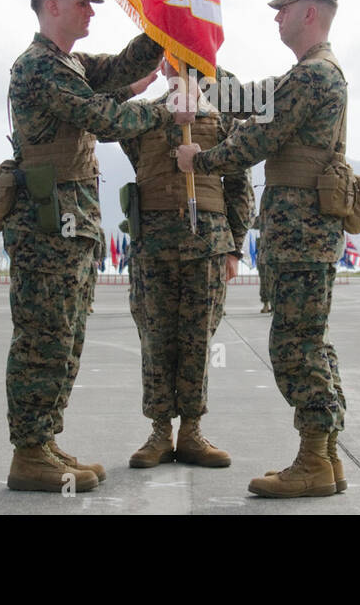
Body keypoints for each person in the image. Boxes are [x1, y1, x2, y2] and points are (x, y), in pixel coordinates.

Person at [0, 0, 179, 494]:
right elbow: (104, 120)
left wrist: (162, 29)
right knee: (43, 336)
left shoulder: (69, 63)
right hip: (45, 223)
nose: (92, 10)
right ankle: (29, 452)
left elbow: (123, 66)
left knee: (67, 334)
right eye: (82, 1)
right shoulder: (39, 66)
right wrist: (164, 113)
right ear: (52, 4)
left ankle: (44, 441)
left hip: (69, 221)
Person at [177, 0, 349, 499]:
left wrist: (199, 158)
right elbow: (250, 96)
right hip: (303, 233)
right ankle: (327, 458)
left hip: (301, 234)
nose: (277, 16)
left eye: (285, 8)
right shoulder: (310, 75)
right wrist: (198, 66)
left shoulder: (314, 76)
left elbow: (257, 135)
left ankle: (314, 460)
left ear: (310, 14)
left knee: (296, 346)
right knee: (310, 342)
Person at [119, 57, 253, 470]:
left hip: (207, 245)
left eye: (189, 63)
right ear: (161, 68)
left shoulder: (221, 122)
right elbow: (107, 122)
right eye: (172, 63)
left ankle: (191, 431)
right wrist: (132, 85)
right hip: (153, 246)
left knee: (197, 340)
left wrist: (235, 247)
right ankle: (160, 431)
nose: (180, 71)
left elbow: (239, 184)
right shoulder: (142, 118)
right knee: (155, 339)